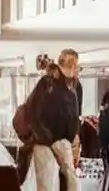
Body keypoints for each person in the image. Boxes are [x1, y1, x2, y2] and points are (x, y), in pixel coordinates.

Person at [24, 63, 79, 191]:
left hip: (46, 141)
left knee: (47, 182)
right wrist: (66, 138)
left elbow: (32, 111)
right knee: (68, 178)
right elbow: (72, 118)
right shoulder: (65, 90)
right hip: (54, 141)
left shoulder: (50, 88)